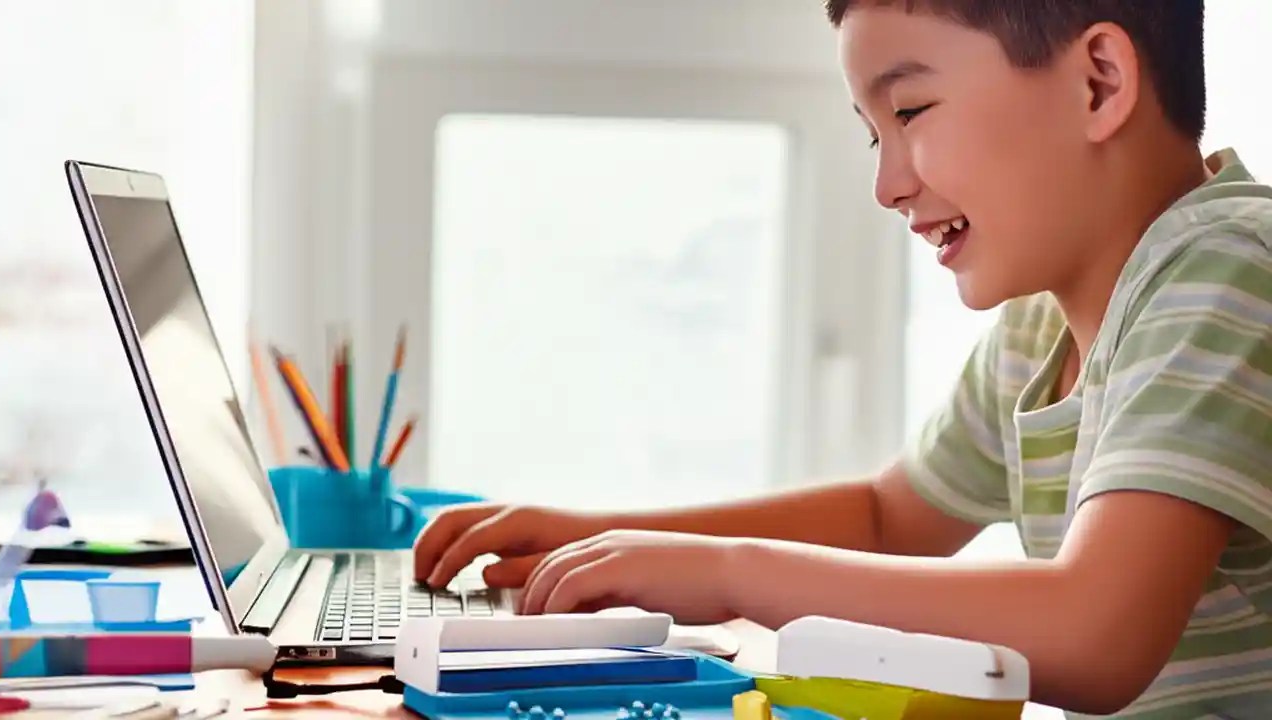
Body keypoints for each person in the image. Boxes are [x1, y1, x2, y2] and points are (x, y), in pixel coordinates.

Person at [413, 1, 1272, 716]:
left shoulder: (1227, 265)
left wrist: (727, 575)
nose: (887, 185)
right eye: (872, 136)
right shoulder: (1042, 328)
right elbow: (890, 518)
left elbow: (1096, 634)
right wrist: (605, 541)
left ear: (1099, 83)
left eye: (911, 112)